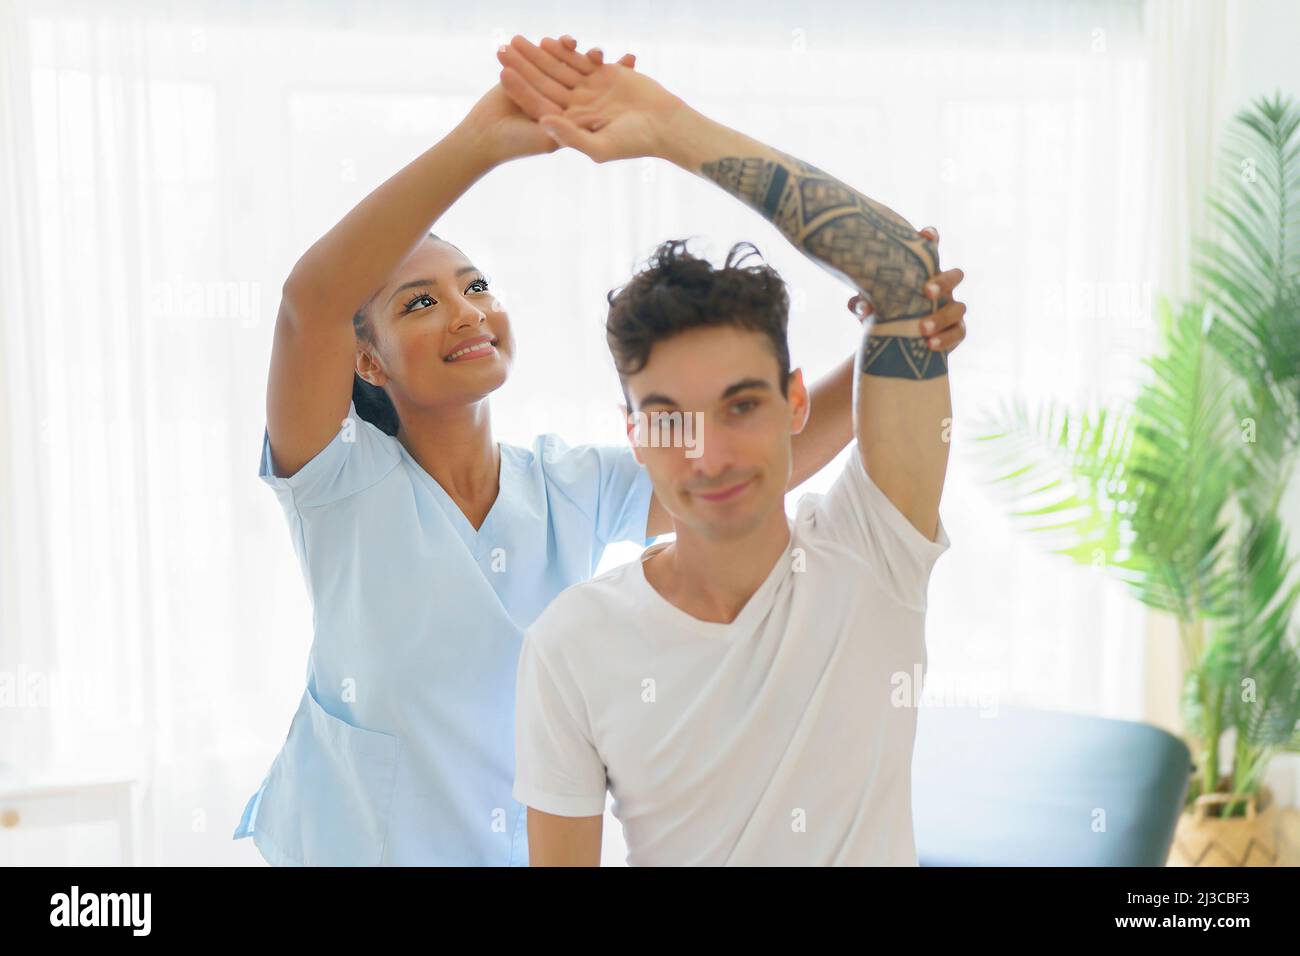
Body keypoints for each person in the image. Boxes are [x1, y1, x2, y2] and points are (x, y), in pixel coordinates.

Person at [234, 36, 963, 866]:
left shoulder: (561, 485)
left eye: (475, 286)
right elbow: (309, 304)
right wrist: (481, 144)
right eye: (420, 303)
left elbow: (746, 449)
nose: (466, 312)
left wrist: (900, 338)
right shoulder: (338, 485)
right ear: (368, 360)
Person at [502, 40, 964, 865]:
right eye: (670, 418)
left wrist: (669, 129)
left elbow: (902, 272)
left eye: (740, 405)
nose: (708, 455)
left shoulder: (873, 547)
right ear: (636, 433)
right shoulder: (571, 644)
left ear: (795, 402)